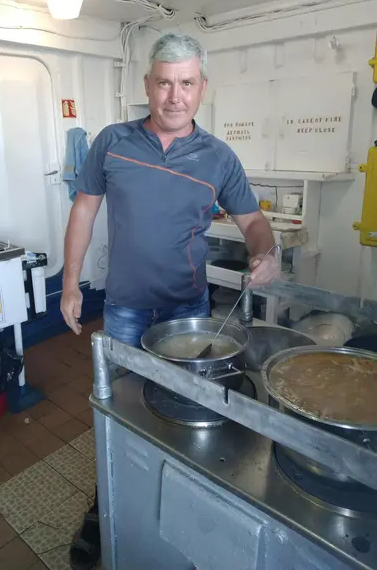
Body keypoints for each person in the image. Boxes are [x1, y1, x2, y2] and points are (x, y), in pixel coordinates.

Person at [61, 33, 278, 569]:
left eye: (186, 83)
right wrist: (70, 284)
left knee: (184, 411)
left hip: (187, 312)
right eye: (164, 83)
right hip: (124, 308)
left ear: (202, 87)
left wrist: (266, 251)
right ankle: (106, 503)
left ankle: (172, 499)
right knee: (118, 410)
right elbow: (84, 210)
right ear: (147, 85)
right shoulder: (112, 141)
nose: (174, 96)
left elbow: (252, 221)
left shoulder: (218, 157)